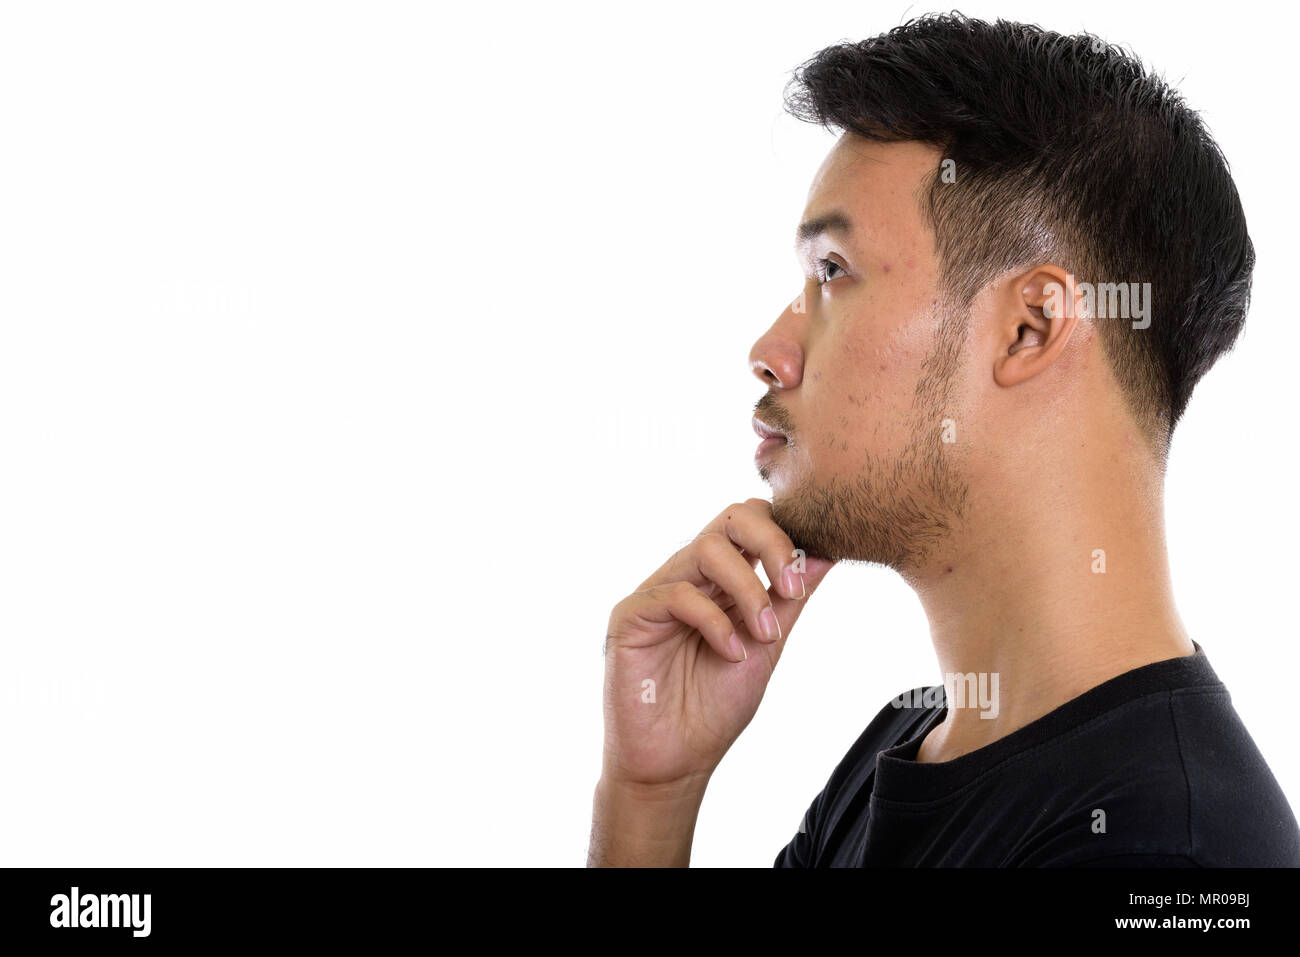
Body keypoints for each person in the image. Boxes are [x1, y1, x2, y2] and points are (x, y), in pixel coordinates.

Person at [589, 13, 1300, 867]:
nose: (770, 354)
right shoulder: (905, 746)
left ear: (1030, 329)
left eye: (831, 273)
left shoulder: (1173, 854)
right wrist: (649, 796)